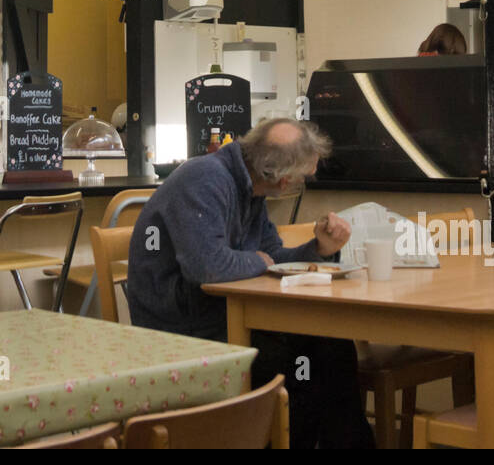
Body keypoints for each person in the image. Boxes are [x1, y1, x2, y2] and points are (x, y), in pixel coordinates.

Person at [126, 117, 374, 448]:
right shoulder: (204, 179)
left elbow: (272, 257)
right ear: (282, 179)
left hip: (223, 315)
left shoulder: (249, 188)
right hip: (180, 328)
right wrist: (258, 261)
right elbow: (208, 267)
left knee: (333, 347)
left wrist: (319, 250)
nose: (303, 182)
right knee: (298, 367)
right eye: (303, 176)